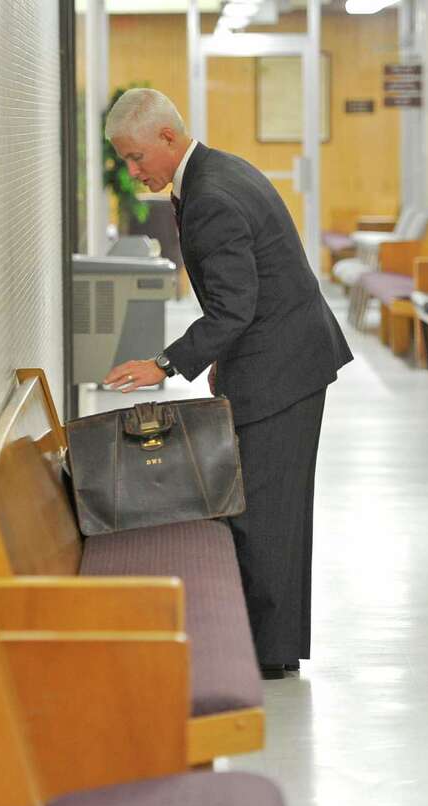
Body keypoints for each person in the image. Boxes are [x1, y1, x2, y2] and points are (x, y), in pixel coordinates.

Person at [102, 89, 353, 680]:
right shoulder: (215, 169)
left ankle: (267, 652)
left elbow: (234, 308)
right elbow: (244, 294)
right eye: (125, 162)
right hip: (279, 353)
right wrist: (224, 358)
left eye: (136, 158)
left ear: (167, 138)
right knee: (271, 506)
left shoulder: (211, 195)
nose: (133, 172)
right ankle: (273, 647)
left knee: (263, 510)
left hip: (283, 364)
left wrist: (163, 363)